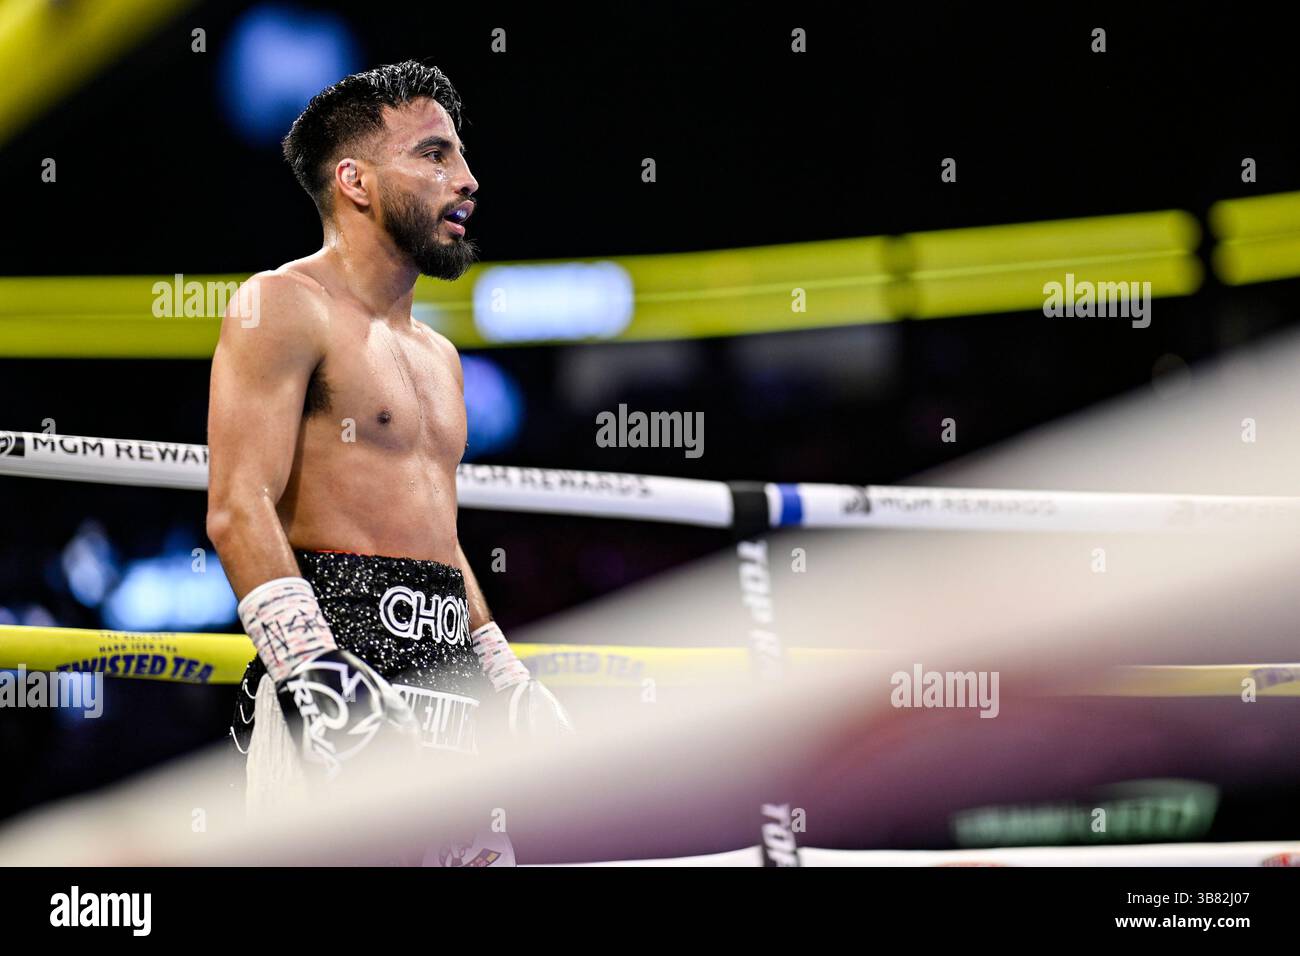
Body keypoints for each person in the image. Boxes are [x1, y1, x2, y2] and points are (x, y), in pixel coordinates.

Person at [206, 60, 570, 866]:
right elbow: (237, 508)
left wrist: (502, 673)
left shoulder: (439, 356)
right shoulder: (283, 306)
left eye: (461, 156)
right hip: (337, 661)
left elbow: (436, 538)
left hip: (451, 682)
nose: (467, 179)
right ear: (356, 181)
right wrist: (313, 673)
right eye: (434, 155)